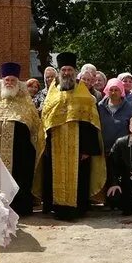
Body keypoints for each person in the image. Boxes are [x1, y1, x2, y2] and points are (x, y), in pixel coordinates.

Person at [38, 52, 105, 221]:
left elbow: (91, 124)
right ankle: (55, 208)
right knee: (54, 176)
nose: (66, 73)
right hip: (55, 146)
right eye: (64, 70)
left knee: (79, 179)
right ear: (59, 71)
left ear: (74, 71)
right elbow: (45, 120)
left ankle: (79, 209)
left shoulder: (85, 96)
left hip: (79, 147)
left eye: (69, 69)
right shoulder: (52, 95)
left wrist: (87, 150)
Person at [0, 63, 44, 217]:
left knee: (19, 179)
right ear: (2, 81)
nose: (10, 83)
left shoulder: (26, 103)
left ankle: (20, 208)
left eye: (13, 80)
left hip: (20, 154)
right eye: (7, 80)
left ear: (18, 83)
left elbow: (35, 129)